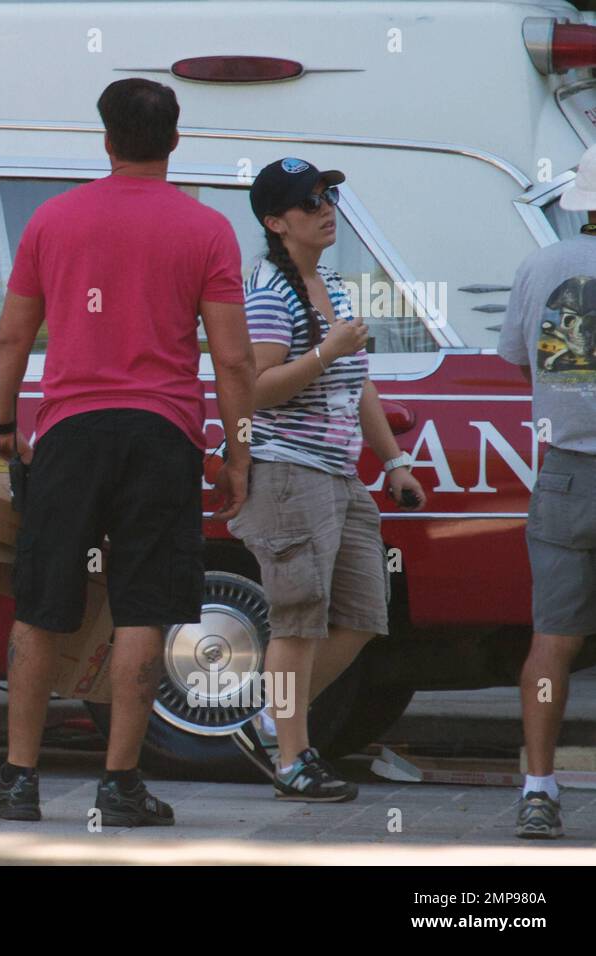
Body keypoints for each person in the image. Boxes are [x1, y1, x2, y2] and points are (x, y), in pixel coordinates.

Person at [0, 78, 257, 826]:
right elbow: (232, 360)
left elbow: (10, 338)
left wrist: (3, 430)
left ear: (105, 140)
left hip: (69, 434)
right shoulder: (206, 230)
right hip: (162, 435)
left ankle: (17, 780)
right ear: (175, 140)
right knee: (143, 609)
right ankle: (120, 784)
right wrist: (237, 450)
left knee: (39, 606)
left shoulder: (54, 220)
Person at [226, 158, 427, 801]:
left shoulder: (332, 285)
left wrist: (393, 461)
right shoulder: (267, 291)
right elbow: (252, 392)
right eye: (310, 201)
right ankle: (292, 757)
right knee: (298, 622)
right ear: (275, 222)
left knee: (366, 615)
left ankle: (267, 717)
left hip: (341, 478)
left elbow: (357, 380)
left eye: (328, 196)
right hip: (289, 475)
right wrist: (324, 352)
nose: (325, 208)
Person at [497, 142, 596, 839]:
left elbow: (515, 362)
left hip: (564, 471)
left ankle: (539, 788)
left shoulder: (544, 266)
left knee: (552, 640)